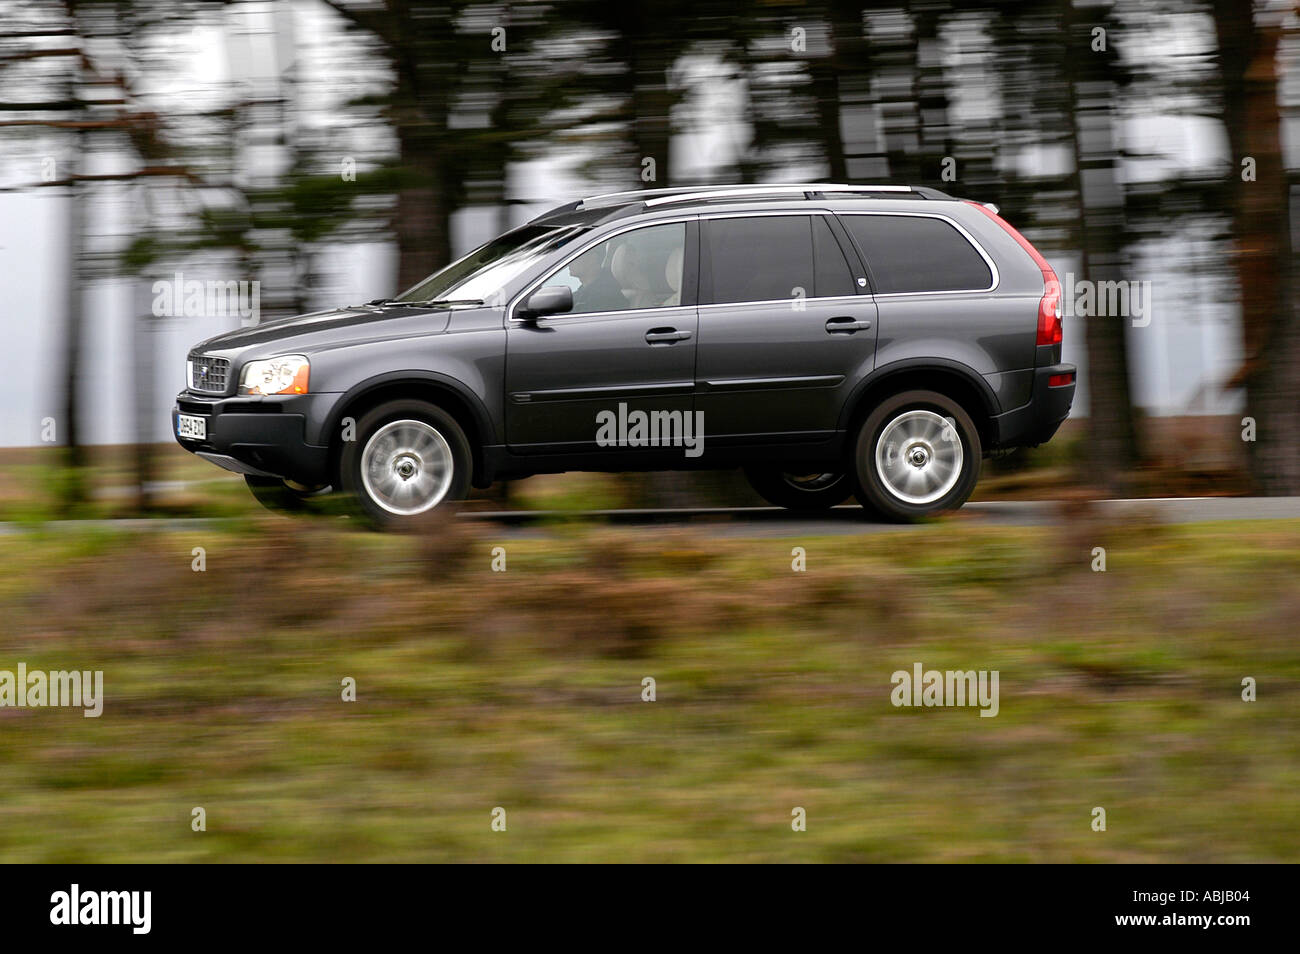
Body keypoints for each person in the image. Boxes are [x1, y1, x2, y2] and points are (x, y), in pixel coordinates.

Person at [570, 244, 628, 313]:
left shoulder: (606, 296)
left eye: (576, 256)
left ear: (593, 259)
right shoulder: (584, 292)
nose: (570, 262)